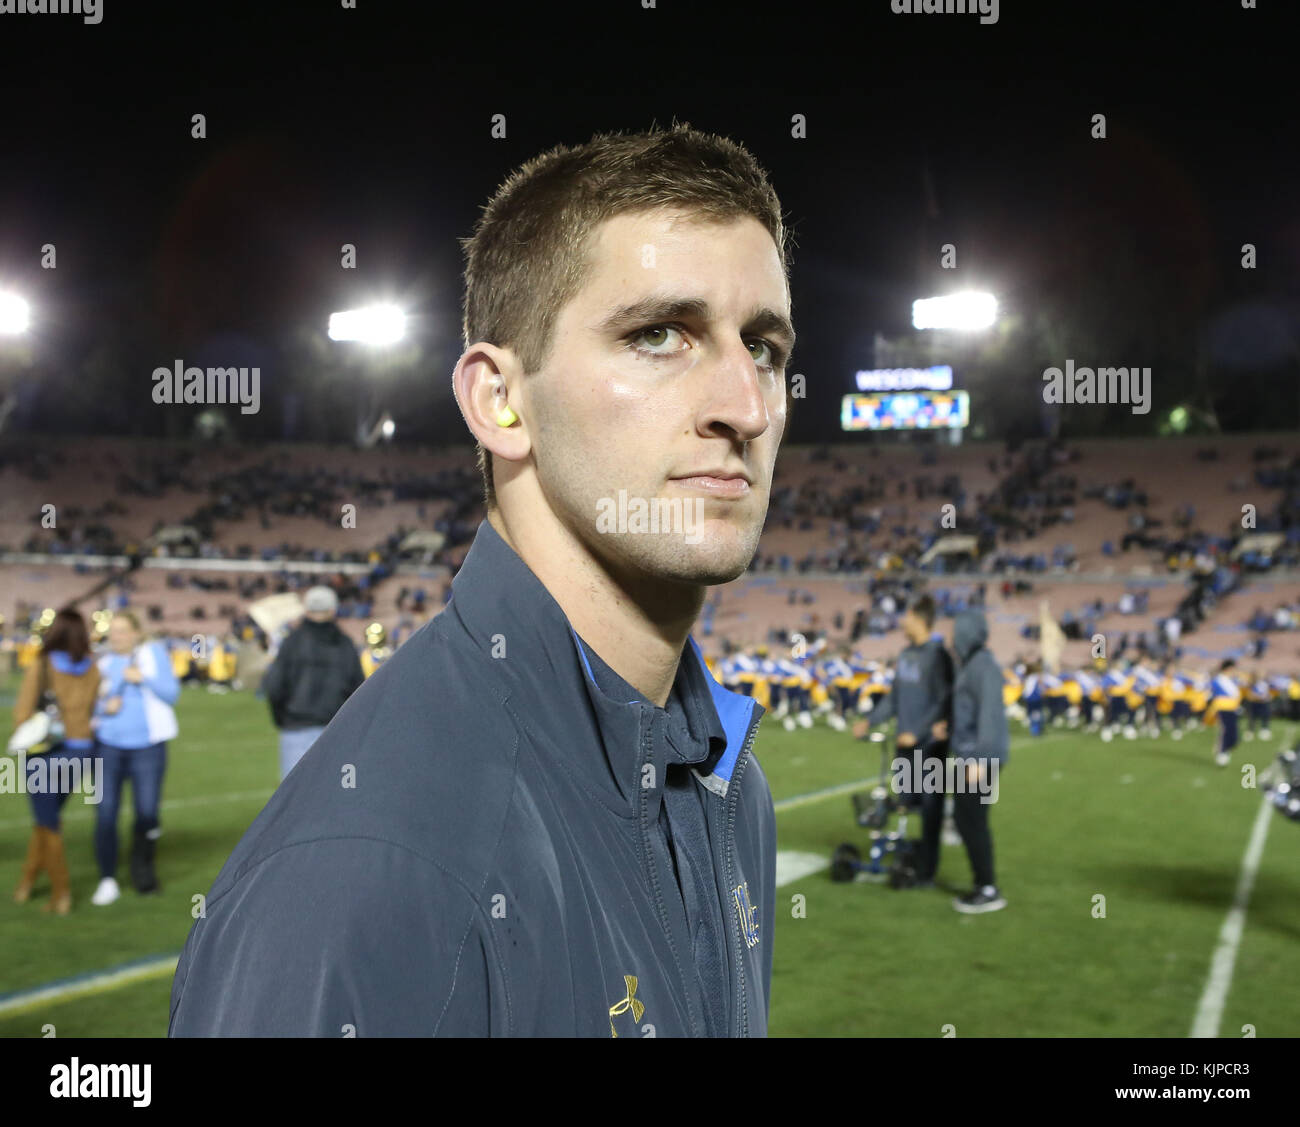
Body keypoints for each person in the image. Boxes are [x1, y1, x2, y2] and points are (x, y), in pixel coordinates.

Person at [170, 123, 790, 1037]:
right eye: (660, 333)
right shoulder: (373, 870)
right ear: (499, 401)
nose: (746, 405)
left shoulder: (728, 784)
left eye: (765, 348)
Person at [852, 593, 952, 887]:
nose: (902, 621)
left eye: (907, 616)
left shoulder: (938, 656)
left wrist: (918, 732)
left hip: (930, 747)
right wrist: (869, 721)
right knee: (905, 803)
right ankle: (910, 858)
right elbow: (894, 698)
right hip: (904, 747)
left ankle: (927, 872)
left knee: (930, 810)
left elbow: (942, 702)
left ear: (920, 620)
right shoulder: (906, 655)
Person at [12, 607, 100, 914]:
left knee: (48, 823)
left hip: (45, 754)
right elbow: (94, 710)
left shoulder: (42, 663)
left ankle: (61, 893)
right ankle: (26, 881)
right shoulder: (92, 666)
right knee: (44, 820)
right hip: (82, 752)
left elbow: (22, 713)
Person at [92, 611, 180, 905]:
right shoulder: (102, 663)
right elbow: (88, 708)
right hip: (108, 747)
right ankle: (107, 878)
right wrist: (105, 708)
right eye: (113, 632)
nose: (117, 637)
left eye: (123, 630)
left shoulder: (153, 655)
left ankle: (143, 873)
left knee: (147, 813)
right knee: (105, 812)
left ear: (137, 633)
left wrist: (142, 679)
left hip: (148, 748)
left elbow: (171, 694)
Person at [259, 586, 364, 780]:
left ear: (306, 610)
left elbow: (274, 687)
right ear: (333, 610)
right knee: (332, 798)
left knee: (295, 800)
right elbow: (359, 691)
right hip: (336, 730)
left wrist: (284, 719)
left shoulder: (292, 643)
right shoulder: (344, 644)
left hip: (297, 727)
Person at [948, 609, 1009, 913]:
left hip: (979, 758)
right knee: (966, 818)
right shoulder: (972, 664)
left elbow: (989, 715)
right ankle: (983, 883)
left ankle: (987, 887)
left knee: (972, 820)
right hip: (970, 755)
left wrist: (980, 760)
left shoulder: (982, 666)